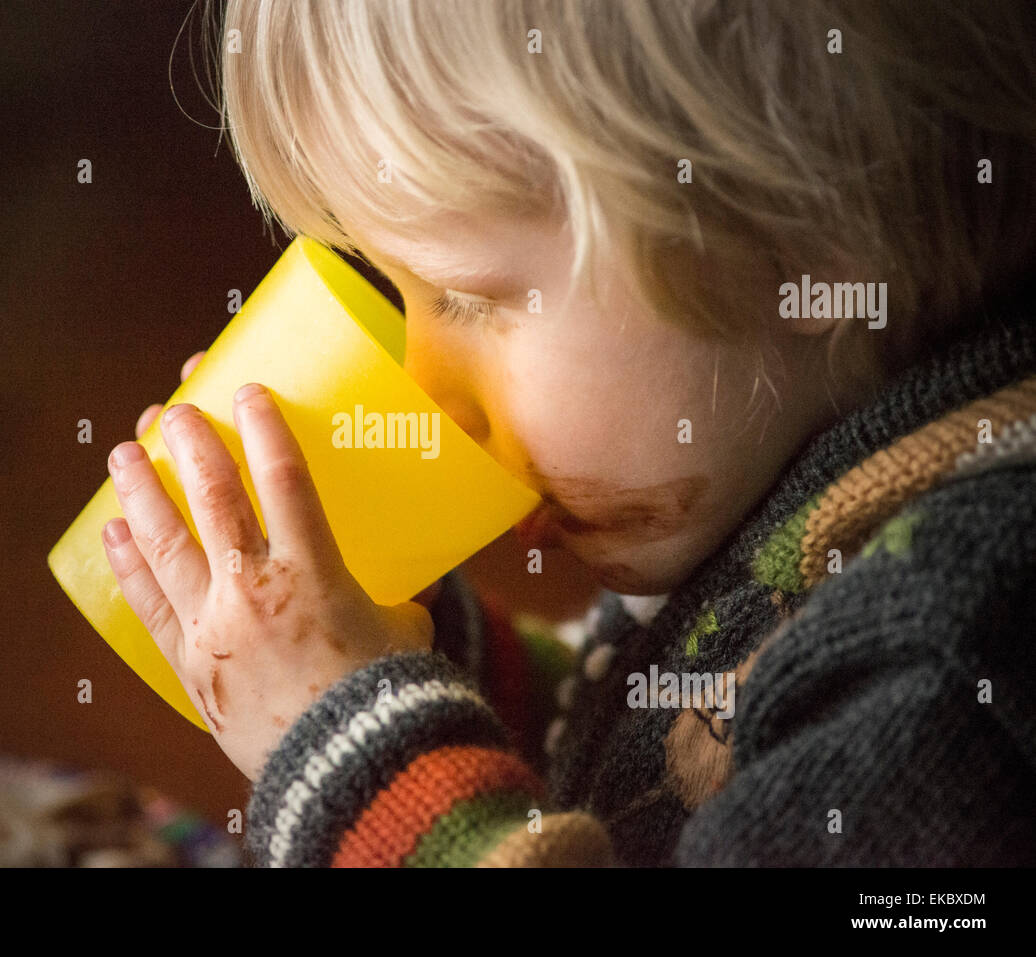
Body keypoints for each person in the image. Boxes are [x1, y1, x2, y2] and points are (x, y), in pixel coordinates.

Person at [101, 0, 1036, 865]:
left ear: (800, 232)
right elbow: (655, 760)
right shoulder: (783, 468)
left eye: (467, 297)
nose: (423, 389)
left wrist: (354, 752)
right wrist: (409, 644)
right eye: (399, 292)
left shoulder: (945, 674)